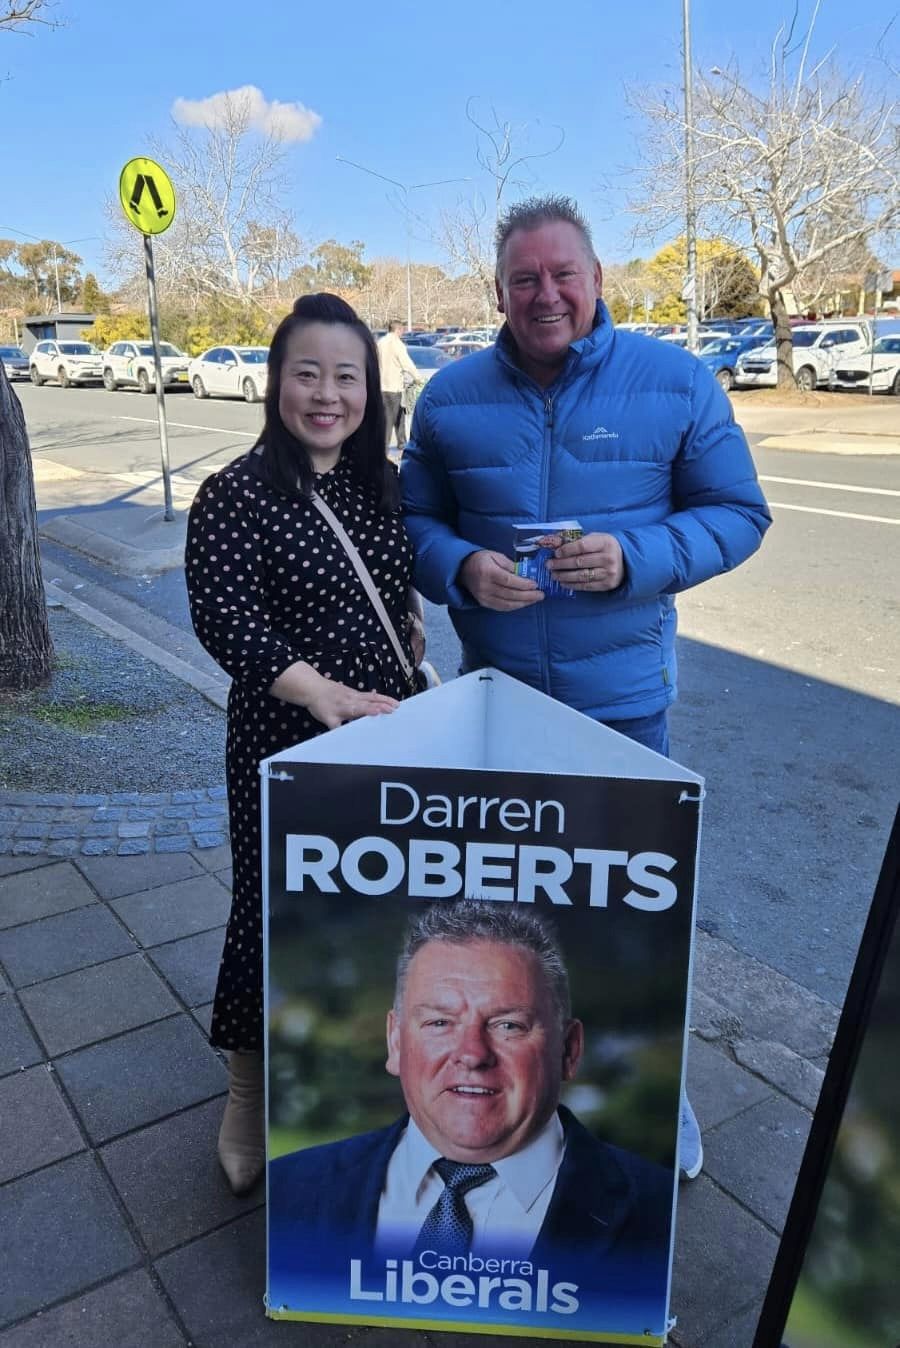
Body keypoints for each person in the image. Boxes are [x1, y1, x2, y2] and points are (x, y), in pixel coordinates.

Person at [400, 194, 772, 1177]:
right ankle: (507, 1107)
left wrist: (640, 556)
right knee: (504, 919)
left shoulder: (674, 381)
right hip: (500, 709)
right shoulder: (448, 399)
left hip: (622, 712)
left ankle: (653, 1087)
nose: (545, 294)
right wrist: (459, 567)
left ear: (598, 278)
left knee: (631, 915)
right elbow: (410, 521)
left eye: (563, 273)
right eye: (524, 279)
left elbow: (739, 513)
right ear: (499, 291)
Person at [185, 293, 423, 1196]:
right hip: (284, 742)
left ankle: (354, 1066)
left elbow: (401, 590)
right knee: (270, 909)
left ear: (369, 388)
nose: (327, 395)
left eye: (346, 376)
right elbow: (225, 619)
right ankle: (246, 1091)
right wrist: (318, 693)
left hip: (388, 734)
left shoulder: (383, 487)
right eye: (307, 373)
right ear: (276, 381)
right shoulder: (234, 495)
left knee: (379, 907)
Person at [269, 902, 673, 1300]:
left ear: (569, 1050)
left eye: (508, 1025)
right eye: (440, 1022)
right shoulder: (288, 1188)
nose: (473, 1053)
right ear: (395, 1041)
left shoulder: (656, 1213)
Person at [377, 319, 419, 452]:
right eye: (402, 330)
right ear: (398, 330)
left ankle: (402, 442)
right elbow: (406, 363)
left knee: (399, 414)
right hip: (393, 386)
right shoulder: (397, 344)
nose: (403, 332)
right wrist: (417, 378)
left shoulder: (380, 343)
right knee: (389, 417)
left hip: (381, 386)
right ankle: (383, 448)